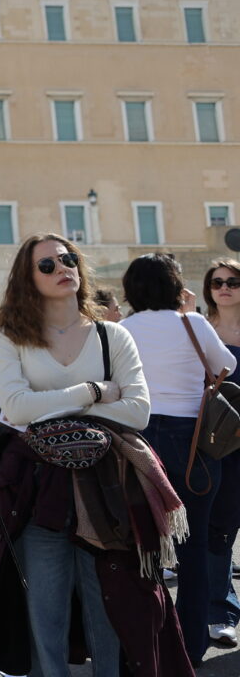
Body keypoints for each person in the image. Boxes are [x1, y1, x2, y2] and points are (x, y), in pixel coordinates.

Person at [0, 235, 192, 677]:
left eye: (69, 258)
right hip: (38, 490)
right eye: (47, 264)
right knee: (45, 612)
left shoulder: (112, 334)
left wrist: (51, 403)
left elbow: (137, 410)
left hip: (110, 488)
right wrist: (93, 392)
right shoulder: (10, 337)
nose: (63, 267)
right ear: (27, 277)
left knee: (110, 606)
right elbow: (16, 409)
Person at [120, 253, 237, 666]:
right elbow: (228, 365)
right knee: (195, 546)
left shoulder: (122, 328)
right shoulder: (194, 323)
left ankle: (146, 643)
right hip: (194, 445)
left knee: (141, 549)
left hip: (138, 442)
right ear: (174, 285)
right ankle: (189, 648)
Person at [203, 259, 240, 649]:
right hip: (218, 446)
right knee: (220, 532)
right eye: (217, 282)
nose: (225, 287)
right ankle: (221, 611)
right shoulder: (200, 330)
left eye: (233, 281)